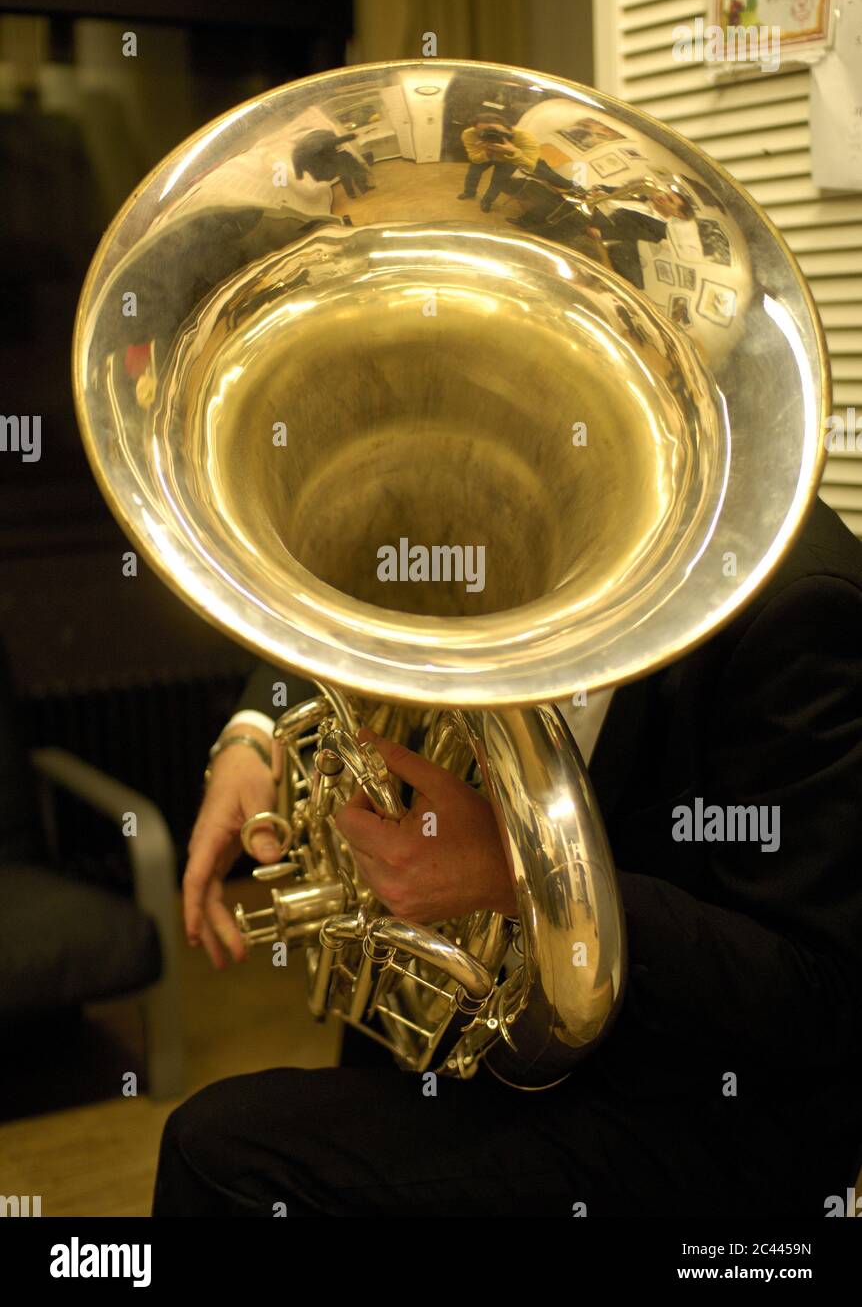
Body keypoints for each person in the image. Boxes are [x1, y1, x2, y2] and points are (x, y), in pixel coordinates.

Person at [153, 494, 862, 1217]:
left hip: (695, 1105)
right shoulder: (504, 495)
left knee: (215, 1155)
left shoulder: (799, 607)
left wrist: (526, 882)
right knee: (377, 1033)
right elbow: (357, 598)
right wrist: (253, 732)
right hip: (501, 1020)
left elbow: (825, 995)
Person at [458, 114, 539, 211]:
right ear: (475, 129)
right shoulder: (469, 134)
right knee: (472, 174)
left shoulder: (524, 137)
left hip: (508, 160)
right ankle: (469, 192)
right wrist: (488, 151)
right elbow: (474, 158)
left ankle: (487, 201)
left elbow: (530, 166)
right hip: (484, 155)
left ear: (507, 127)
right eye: (484, 132)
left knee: (498, 182)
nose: (491, 133)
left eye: (495, 130)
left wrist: (512, 152)